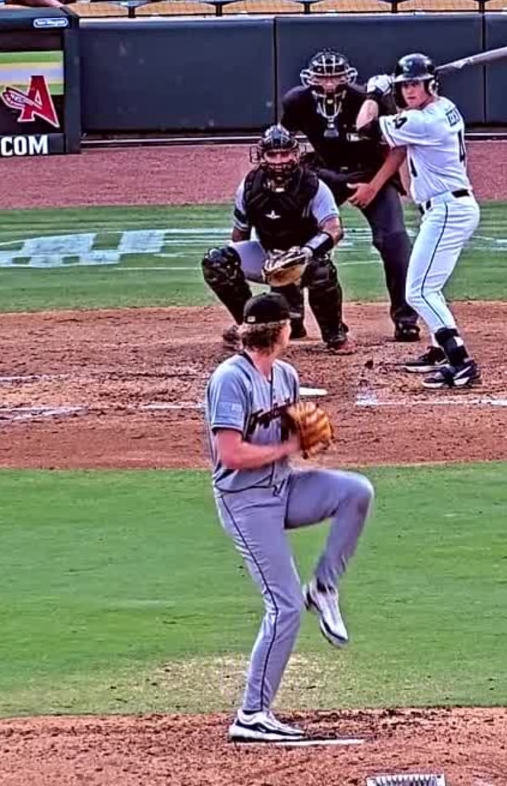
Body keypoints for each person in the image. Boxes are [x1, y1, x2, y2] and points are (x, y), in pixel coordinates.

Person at [204, 291, 375, 742]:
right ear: (280, 331)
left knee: (355, 491)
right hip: (246, 503)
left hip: (282, 488)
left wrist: (307, 436)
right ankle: (252, 715)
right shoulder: (230, 379)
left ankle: (323, 587)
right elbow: (231, 453)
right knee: (282, 607)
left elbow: (292, 433)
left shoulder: (286, 375)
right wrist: (286, 448)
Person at [350, 53, 482, 390]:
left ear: (430, 85)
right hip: (447, 207)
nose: (409, 91)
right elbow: (401, 147)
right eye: (404, 85)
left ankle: (460, 361)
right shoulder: (441, 108)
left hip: (448, 210)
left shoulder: (425, 122)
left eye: (414, 84)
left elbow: (363, 128)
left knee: (419, 292)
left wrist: (374, 94)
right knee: (429, 286)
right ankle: (440, 351)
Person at [281, 49, 421, 343]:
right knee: (292, 238)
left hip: (370, 173)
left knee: (395, 242)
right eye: (323, 76)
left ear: (347, 76)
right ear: (311, 77)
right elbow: (286, 141)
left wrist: (373, 186)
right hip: (324, 173)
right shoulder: (297, 101)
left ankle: (406, 319)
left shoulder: (367, 99)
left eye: (335, 76)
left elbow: (397, 148)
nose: (329, 83)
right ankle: (291, 315)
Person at [202, 124, 356, 355]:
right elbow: (240, 231)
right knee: (217, 262)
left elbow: (334, 229)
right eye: (272, 154)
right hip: (268, 253)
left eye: (285, 153)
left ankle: (335, 334)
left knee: (322, 270)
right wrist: (235, 266)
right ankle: (248, 326)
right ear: (261, 156)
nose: (279, 160)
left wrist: (306, 252)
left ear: (296, 154)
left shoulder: (314, 186)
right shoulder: (249, 186)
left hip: (306, 257)